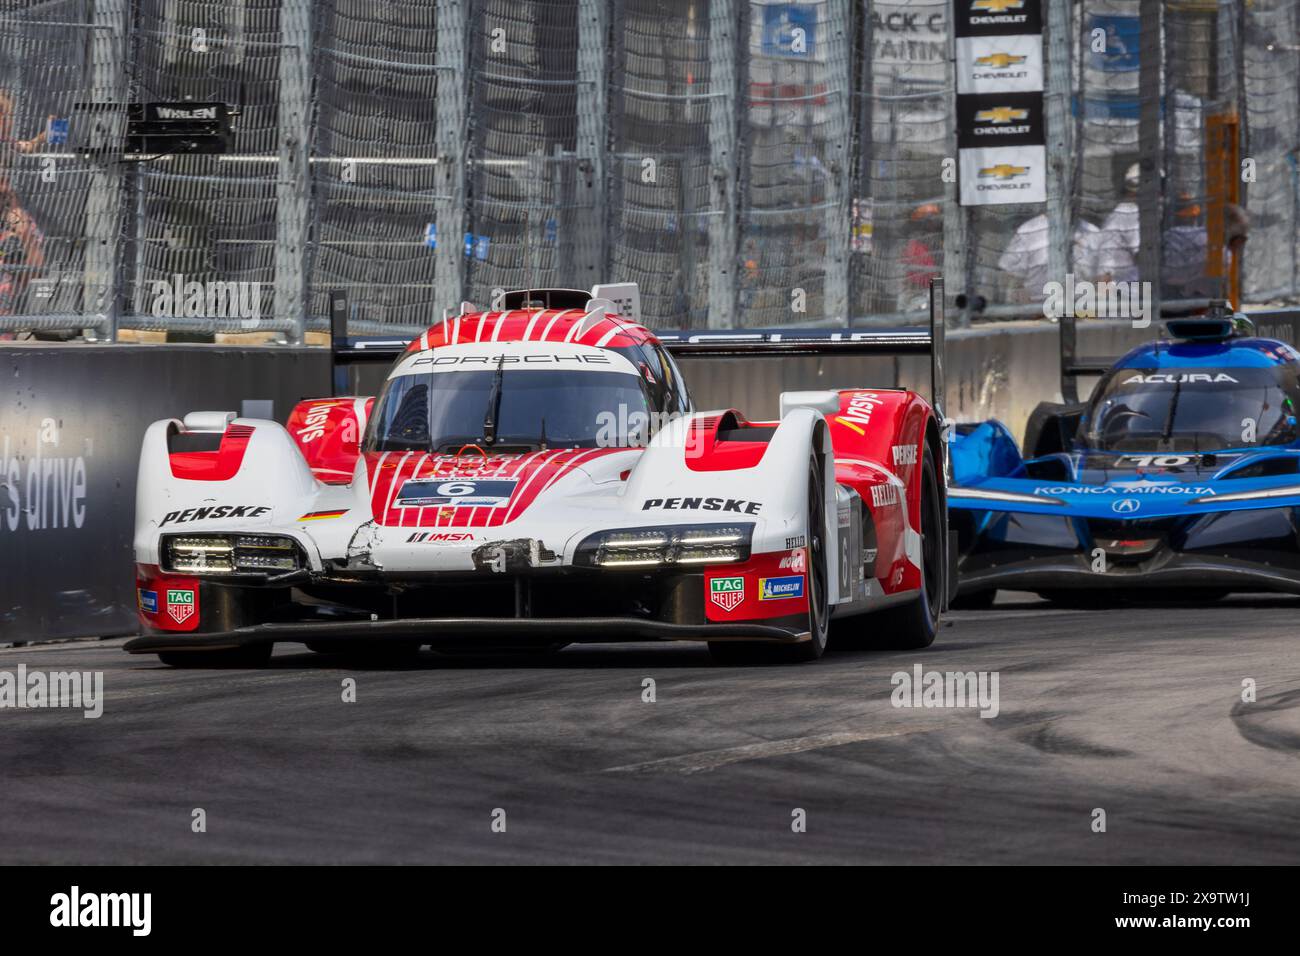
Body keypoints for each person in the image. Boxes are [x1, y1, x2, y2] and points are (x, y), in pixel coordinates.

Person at [997, 212, 1105, 301]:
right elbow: (1012, 279)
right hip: (1038, 314)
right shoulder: (1029, 230)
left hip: (1083, 314)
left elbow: (1105, 280)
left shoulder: (1092, 232)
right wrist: (1029, 308)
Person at [1096, 162, 1141, 283]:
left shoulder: (1120, 211)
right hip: (1125, 289)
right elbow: (1143, 255)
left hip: (1112, 286)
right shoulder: (1131, 213)